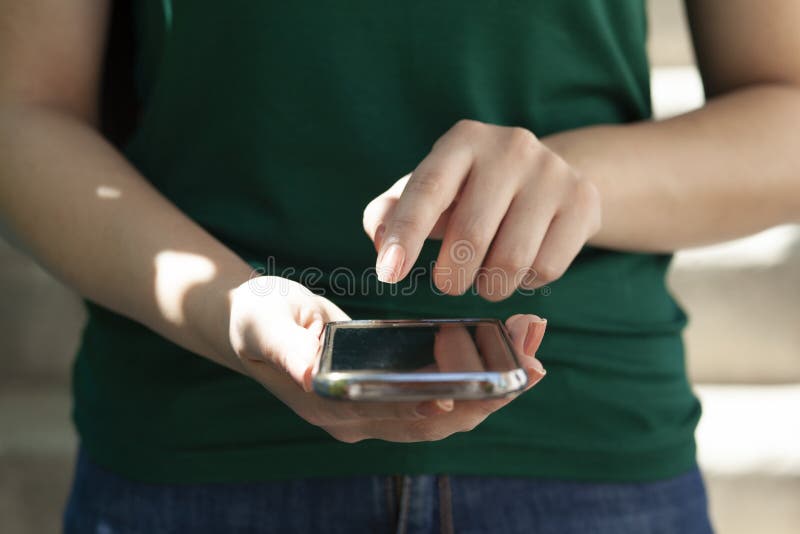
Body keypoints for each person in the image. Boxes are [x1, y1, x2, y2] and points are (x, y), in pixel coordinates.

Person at [1, 1, 798, 532]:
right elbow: (20, 108)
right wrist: (227, 304)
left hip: (589, 452)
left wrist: (570, 182)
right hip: (190, 448)